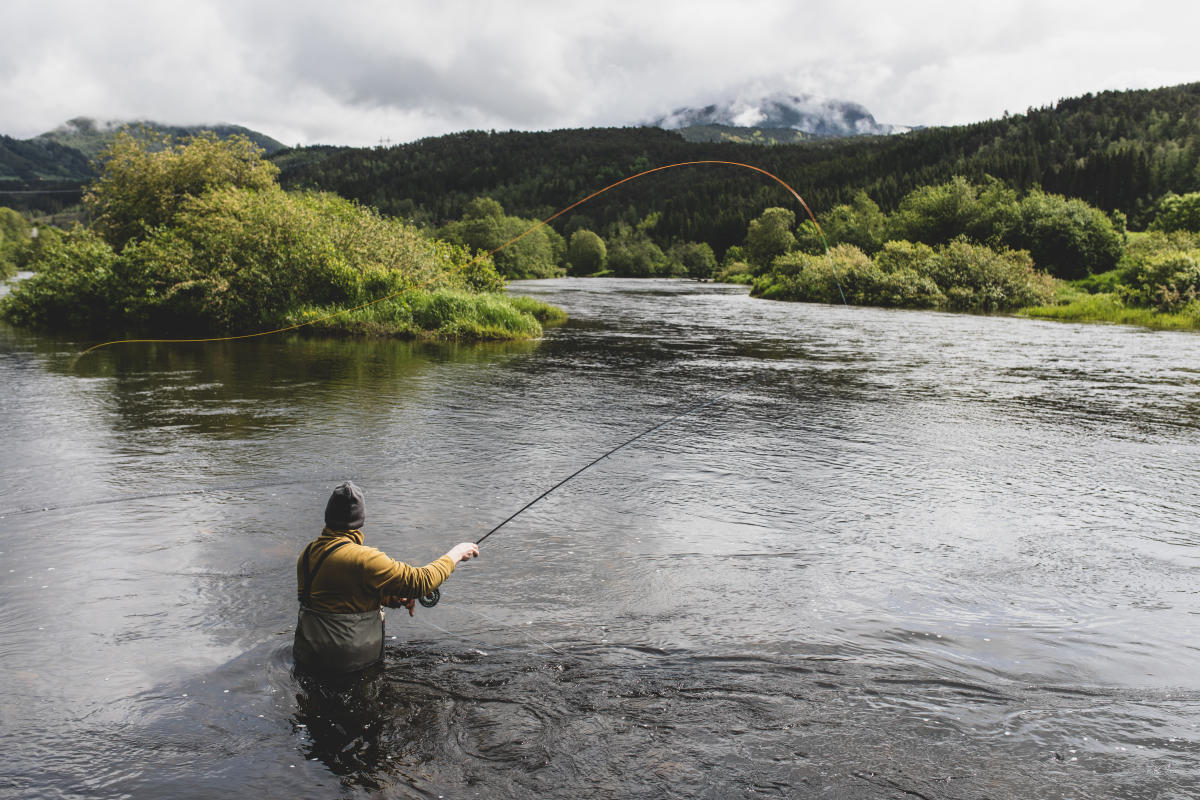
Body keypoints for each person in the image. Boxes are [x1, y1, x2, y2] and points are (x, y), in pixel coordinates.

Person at [293, 481, 479, 675]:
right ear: (360, 519)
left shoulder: (309, 552)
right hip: (351, 666)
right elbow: (420, 582)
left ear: (328, 515)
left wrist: (390, 598)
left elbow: (335, 597)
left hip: (308, 658)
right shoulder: (364, 558)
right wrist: (457, 553)